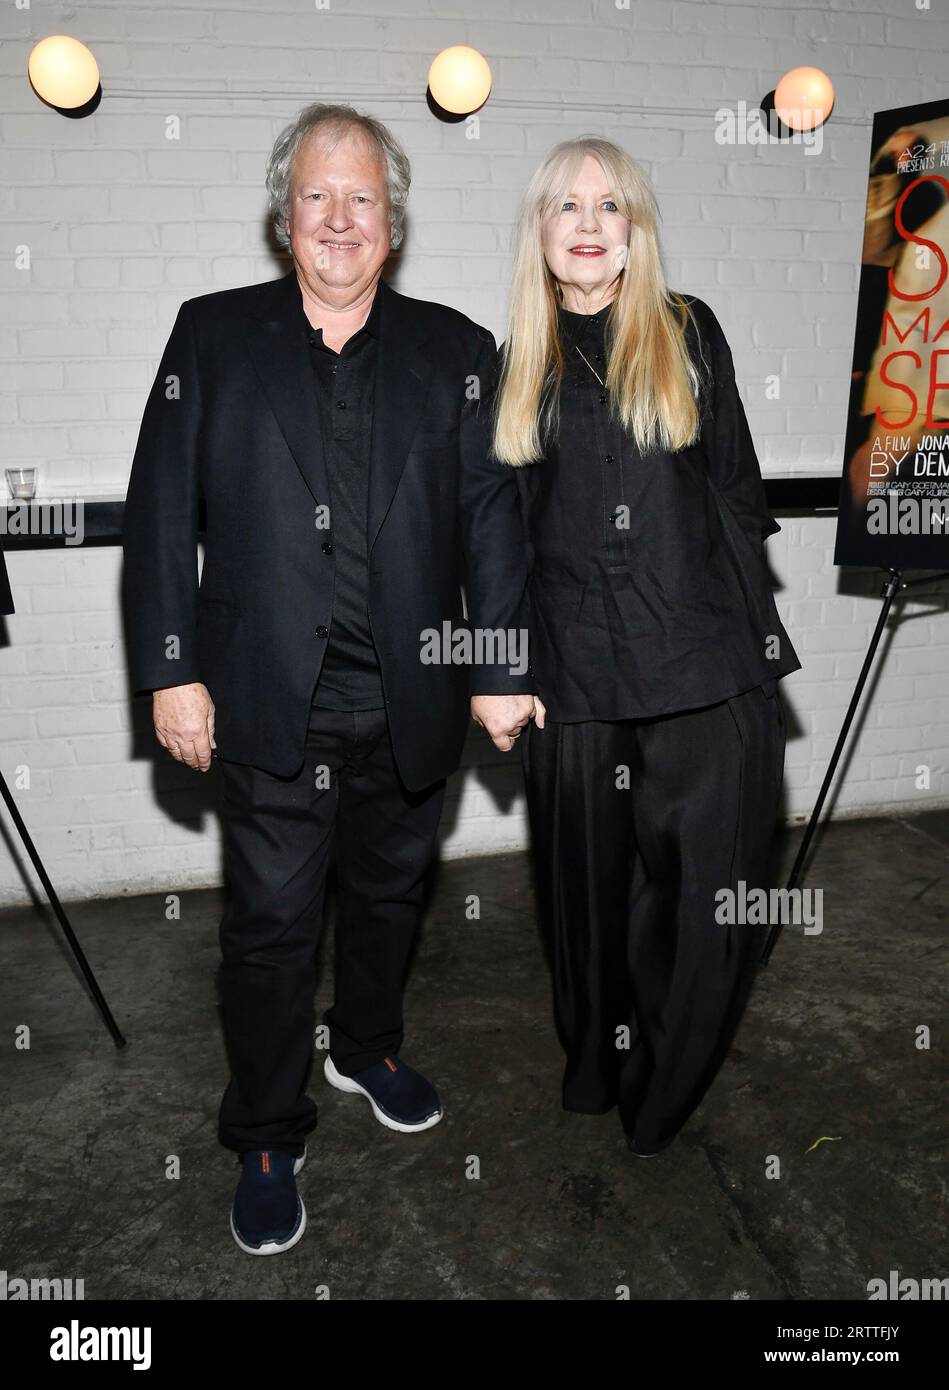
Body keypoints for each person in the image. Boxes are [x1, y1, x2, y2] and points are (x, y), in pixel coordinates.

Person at [122, 103, 535, 1254]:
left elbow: (495, 518)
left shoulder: (457, 351)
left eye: (363, 199)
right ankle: (263, 1127)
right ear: (282, 213)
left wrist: (501, 665)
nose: (340, 218)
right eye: (318, 195)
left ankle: (366, 1047)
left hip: (414, 696)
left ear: (391, 223)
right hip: (265, 697)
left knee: (393, 900)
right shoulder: (210, 335)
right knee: (267, 928)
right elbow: (161, 510)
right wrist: (170, 672)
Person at [492, 136, 802, 1158]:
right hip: (572, 679)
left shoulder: (685, 331)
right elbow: (498, 535)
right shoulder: (512, 368)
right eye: (566, 206)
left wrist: (753, 658)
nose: (587, 224)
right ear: (540, 232)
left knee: (707, 899)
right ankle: (596, 1061)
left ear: (636, 231)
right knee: (584, 898)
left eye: (609, 205)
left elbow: (737, 496)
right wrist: (504, 669)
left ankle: (660, 1090)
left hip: (700, 666)